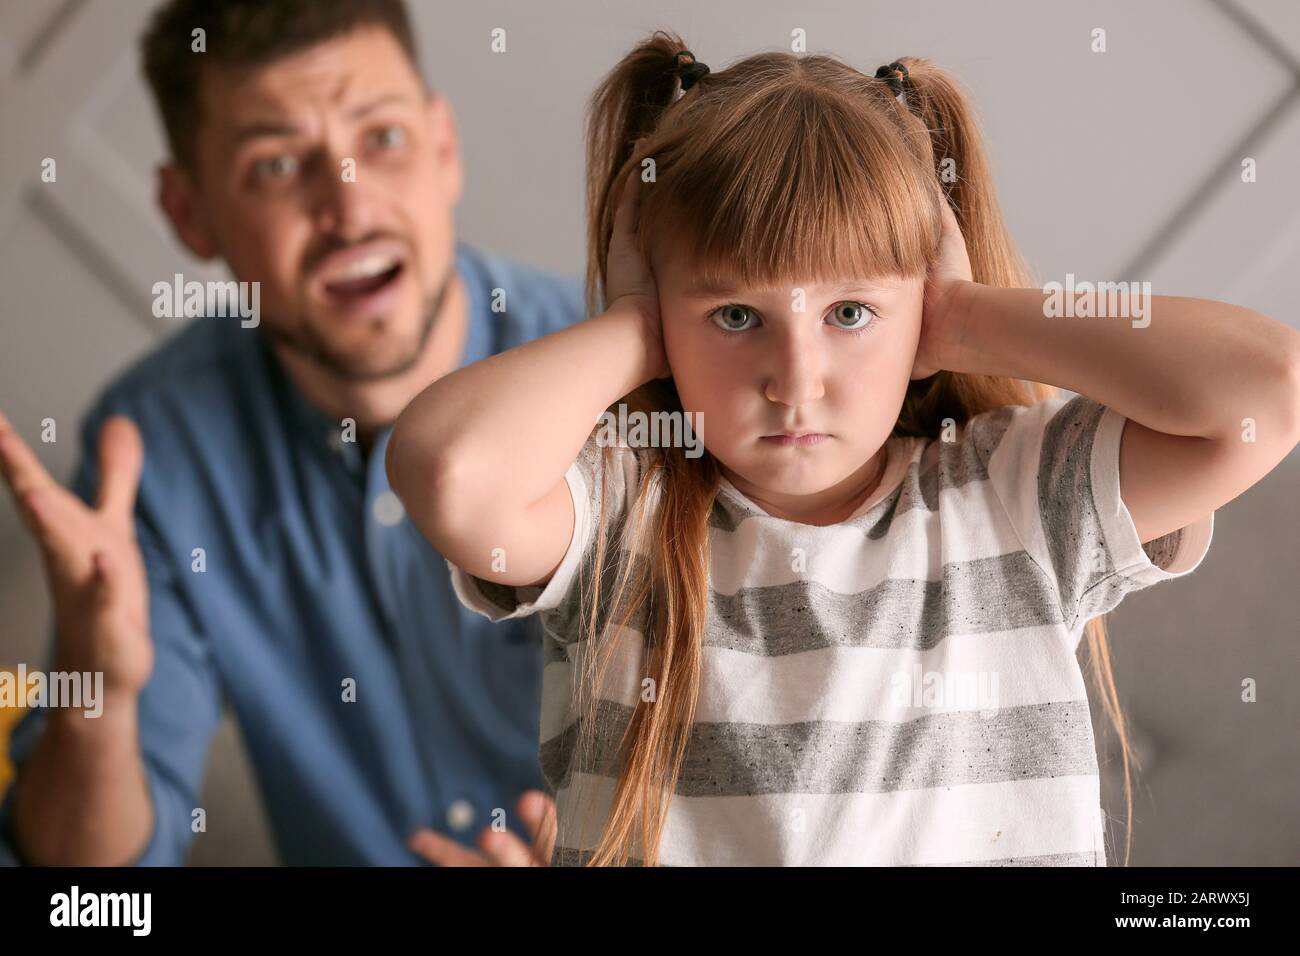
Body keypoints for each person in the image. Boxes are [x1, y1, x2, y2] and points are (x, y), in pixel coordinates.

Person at [386, 33, 1300, 865]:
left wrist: (971, 321)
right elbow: (451, 473)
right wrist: (635, 326)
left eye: (851, 313)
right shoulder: (618, 515)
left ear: (923, 309)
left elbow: (1268, 395)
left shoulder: (1013, 498)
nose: (796, 377)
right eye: (735, 315)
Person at [0, 0, 573, 866]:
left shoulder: (639, 390)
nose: (348, 207)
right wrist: (100, 697)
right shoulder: (154, 453)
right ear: (190, 214)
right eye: (275, 165)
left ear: (443, 147)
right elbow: (86, 903)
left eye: (380, 139)